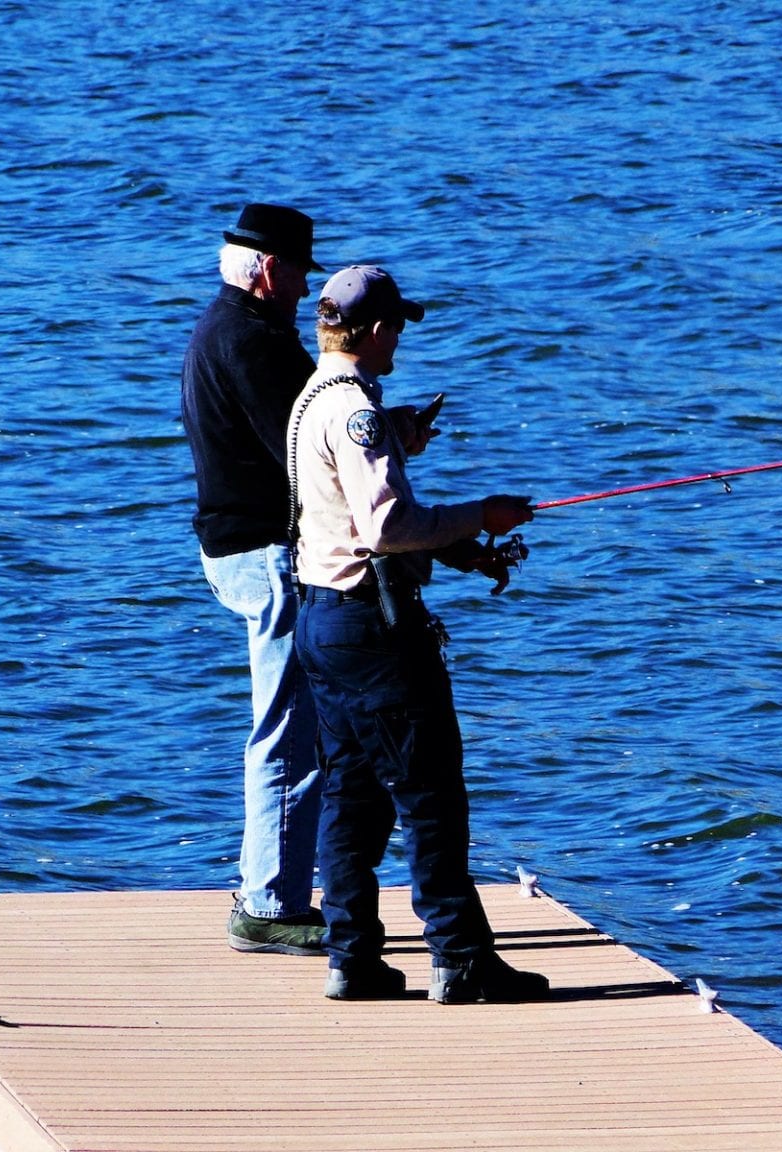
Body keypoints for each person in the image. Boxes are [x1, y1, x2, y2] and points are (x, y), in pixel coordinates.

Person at [287, 264, 552, 1004]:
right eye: (397, 325)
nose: (400, 336)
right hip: (375, 632)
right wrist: (482, 515)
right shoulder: (357, 414)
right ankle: (461, 958)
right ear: (374, 333)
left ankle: (354, 958)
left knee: (353, 795)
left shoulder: (314, 398)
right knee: (431, 794)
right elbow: (386, 526)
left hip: (323, 620)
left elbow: (350, 519)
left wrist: (459, 550)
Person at [181, 203, 327, 955]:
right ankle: (268, 903)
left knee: (292, 727)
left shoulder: (219, 327)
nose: (308, 287)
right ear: (270, 271)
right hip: (268, 555)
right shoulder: (258, 344)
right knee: (286, 731)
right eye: (301, 270)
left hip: (233, 548)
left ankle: (271, 885)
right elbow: (310, 455)